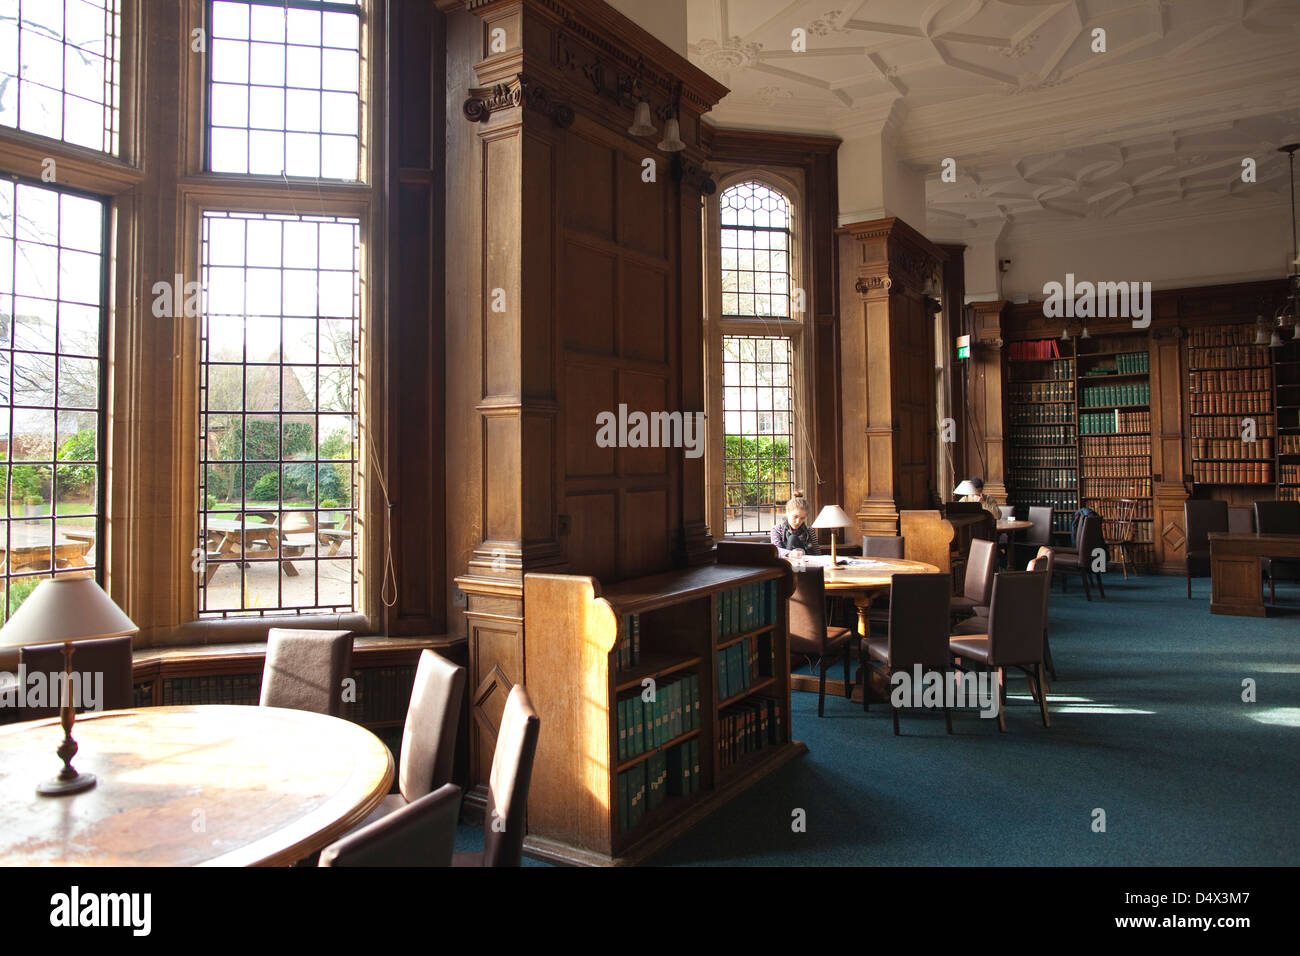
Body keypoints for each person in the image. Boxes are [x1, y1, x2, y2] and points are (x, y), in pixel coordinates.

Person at [770, 491, 821, 558]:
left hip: (805, 561)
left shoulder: (809, 530)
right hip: (785, 562)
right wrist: (790, 553)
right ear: (787, 513)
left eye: (802, 518)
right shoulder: (777, 529)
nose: (798, 522)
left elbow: (817, 553)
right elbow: (776, 550)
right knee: (764, 544)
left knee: (793, 538)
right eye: (795, 517)